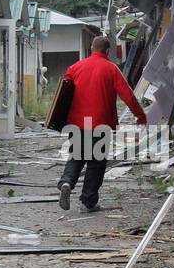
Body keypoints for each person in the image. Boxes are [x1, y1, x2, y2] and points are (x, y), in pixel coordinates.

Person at [58, 37, 146, 211]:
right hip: (100, 124)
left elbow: (62, 93)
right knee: (96, 162)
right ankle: (88, 201)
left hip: (76, 123)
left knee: (77, 155)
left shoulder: (75, 68)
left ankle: (67, 182)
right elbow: (127, 95)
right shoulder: (111, 69)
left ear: (91, 48)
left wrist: (57, 120)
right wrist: (140, 116)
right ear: (107, 51)